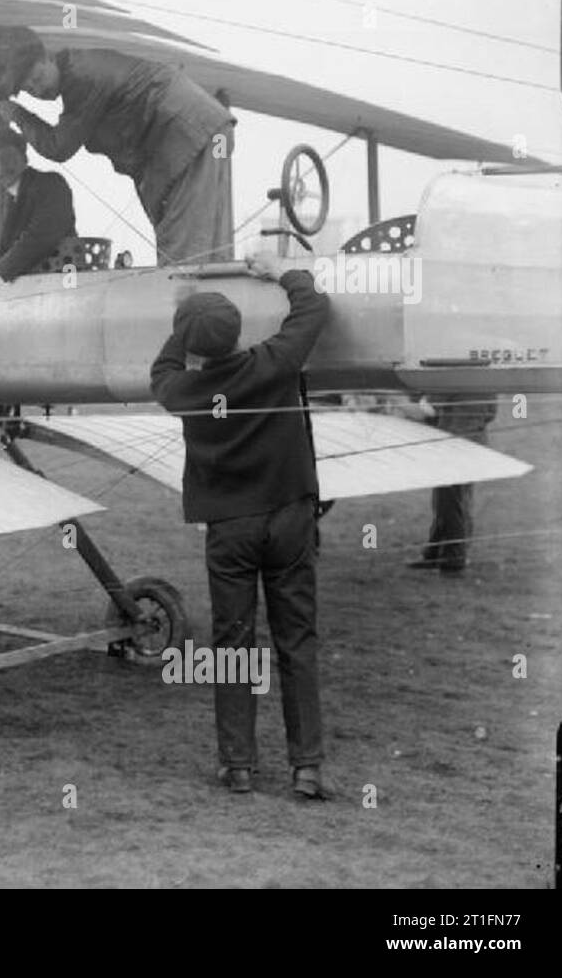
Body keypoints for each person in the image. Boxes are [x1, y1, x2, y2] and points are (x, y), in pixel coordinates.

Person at [150, 249, 332, 798]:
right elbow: (312, 307)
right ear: (236, 333)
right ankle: (307, 767)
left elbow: (162, 369)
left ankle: (239, 766)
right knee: (296, 638)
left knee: (232, 645)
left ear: (191, 344)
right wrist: (280, 270)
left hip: (230, 529)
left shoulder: (182, 391)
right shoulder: (273, 363)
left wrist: (183, 319)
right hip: (289, 518)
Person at [0, 39, 234, 268]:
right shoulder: (82, 67)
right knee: (210, 249)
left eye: (37, 77)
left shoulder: (82, 76)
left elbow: (59, 147)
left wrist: (17, 114)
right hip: (203, 132)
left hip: (188, 138)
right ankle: (213, 304)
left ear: (48, 57)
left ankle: (190, 306)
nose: (38, 89)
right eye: (29, 89)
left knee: (184, 254)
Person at [406, 393, 498, 576]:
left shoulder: (448, 379)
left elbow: (427, 409)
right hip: (476, 445)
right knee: (457, 500)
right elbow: (491, 414)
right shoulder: (488, 382)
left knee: (448, 504)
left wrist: (407, 401)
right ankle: (434, 554)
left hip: (452, 448)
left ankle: (454, 560)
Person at [0, 126, 76, 281]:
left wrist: (0, 266)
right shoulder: (13, 197)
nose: (2, 168)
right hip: (36, 284)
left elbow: (42, 235)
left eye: (7, 157)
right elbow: (7, 249)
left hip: (67, 277)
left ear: (23, 156)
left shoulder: (51, 184)